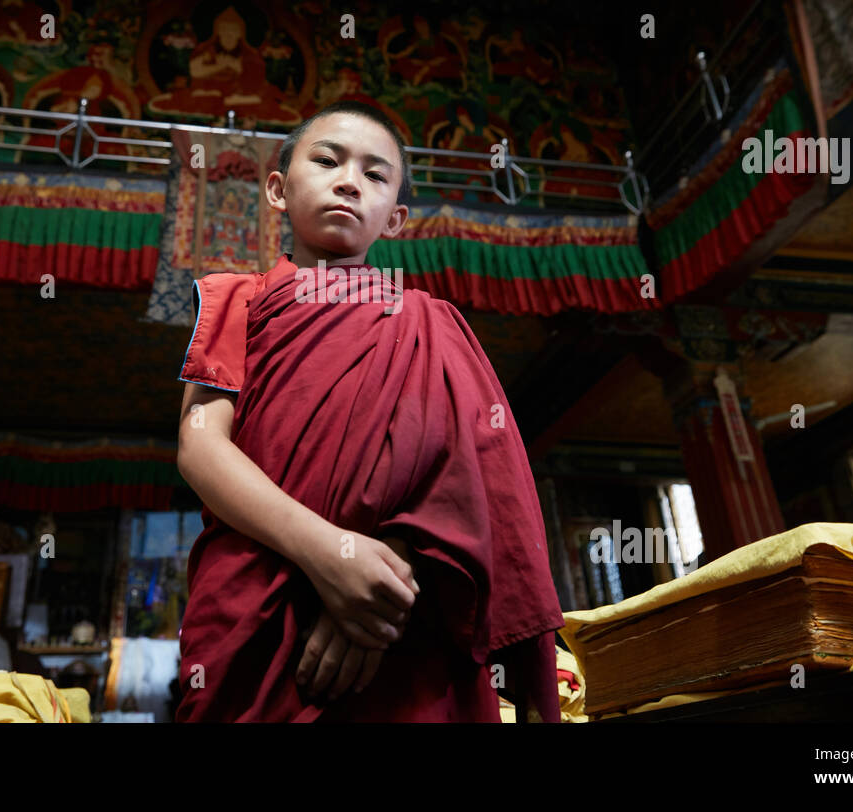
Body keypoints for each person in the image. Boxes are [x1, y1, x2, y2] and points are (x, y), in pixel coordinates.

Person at [174, 100, 563, 722]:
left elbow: (469, 480)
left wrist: (380, 595)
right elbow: (200, 446)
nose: (349, 180)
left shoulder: (426, 325)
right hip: (255, 597)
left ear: (396, 219)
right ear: (278, 188)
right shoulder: (233, 302)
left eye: (376, 175)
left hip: (403, 613)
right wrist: (329, 555)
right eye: (327, 160)